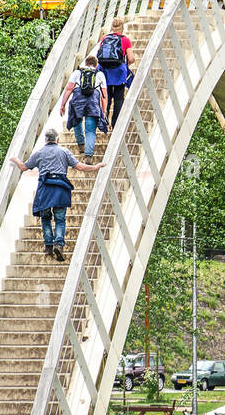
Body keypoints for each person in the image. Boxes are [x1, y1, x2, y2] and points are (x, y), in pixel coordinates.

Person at [9, 128, 104, 261]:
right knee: (60, 219)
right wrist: (96, 167)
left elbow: (24, 167)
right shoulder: (64, 152)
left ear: (45, 140)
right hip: (60, 189)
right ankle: (58, 244)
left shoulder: (39, 153)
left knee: (46, 217)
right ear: (57, 140)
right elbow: (80, 167)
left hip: (45, 190)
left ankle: (48, 245)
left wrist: (15, 160)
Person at [59, 54, 109, 163]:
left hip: (78, 101)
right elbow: (104, 95)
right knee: (90, 130)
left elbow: (69, 89)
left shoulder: (77, 73)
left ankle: (81, 144)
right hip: (93, 102)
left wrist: (63, 105)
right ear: (96, 65)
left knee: (77, 122)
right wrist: (104, 111)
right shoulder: (99, 74)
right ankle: (88, 156)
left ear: (85, 64)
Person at [96, 17, 135, 129]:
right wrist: (126, 63)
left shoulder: (105, 38)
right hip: (119, 72)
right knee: (118, 98)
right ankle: (115, 123)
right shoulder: (125, 40)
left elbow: (100, 54)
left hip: (105, 72)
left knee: (106, 96)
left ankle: (104, 119)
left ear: (112, 28)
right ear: (122, 27)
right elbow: (131, 58)